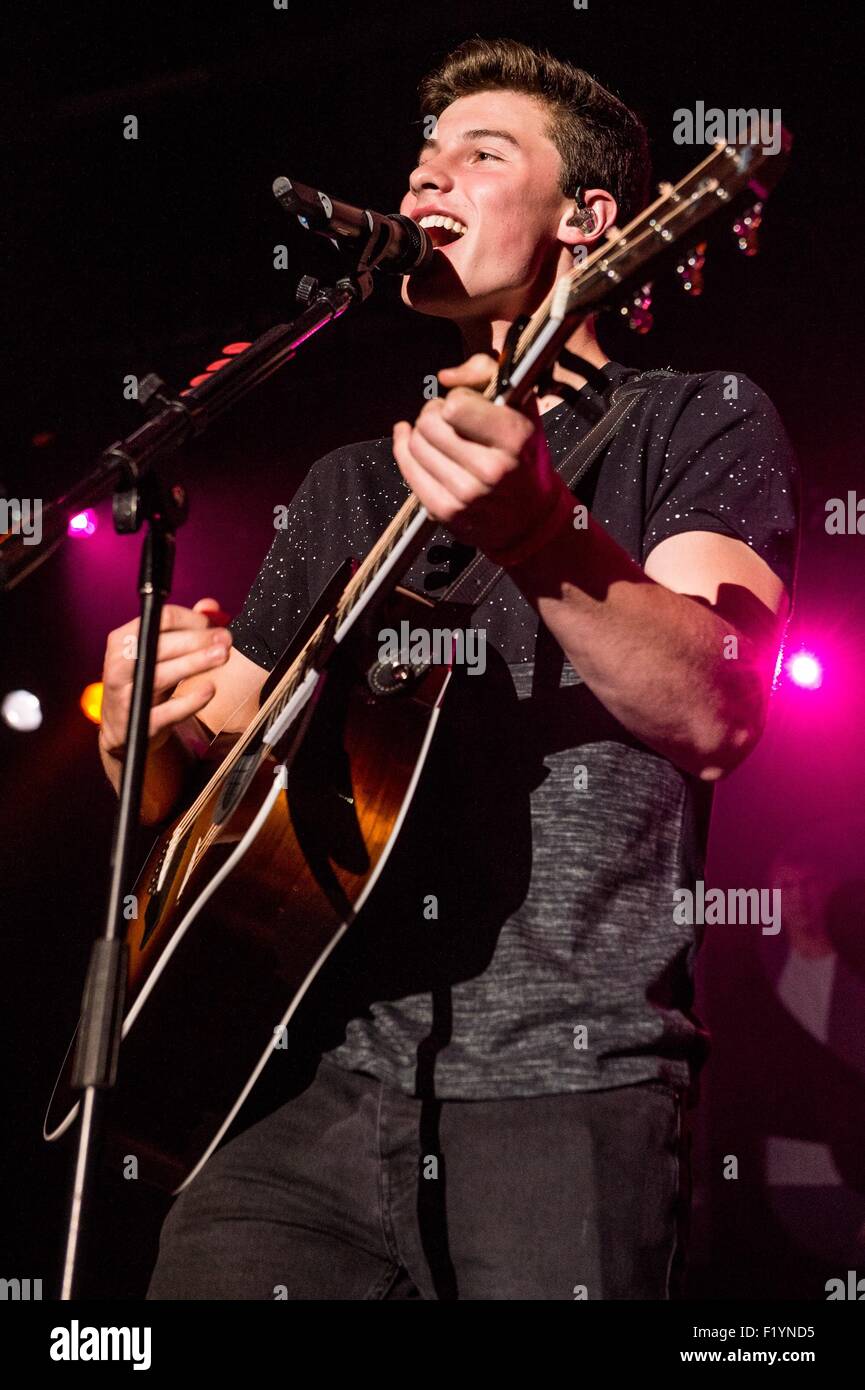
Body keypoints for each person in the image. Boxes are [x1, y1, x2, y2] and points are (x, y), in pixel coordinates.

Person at [97, 38, 798, 1299]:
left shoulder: (698, 417)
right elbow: (216, 802)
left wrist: (539, 531)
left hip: (564, 1089)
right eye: (422, 157)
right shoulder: (350, 481)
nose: (428, 180)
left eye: (481, 153)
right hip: (287, 1088)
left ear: (592, 222)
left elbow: (715, 705)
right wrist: (146, 737)